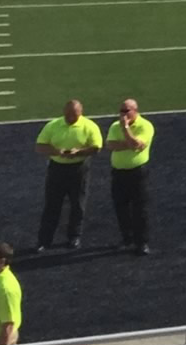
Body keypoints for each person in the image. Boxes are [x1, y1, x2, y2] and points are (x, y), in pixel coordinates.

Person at [34, 99, 103, 251]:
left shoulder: (89, 126)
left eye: (74, 115)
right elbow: (40, 146)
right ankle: (44, 240)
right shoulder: (53, 125)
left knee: (77, 205)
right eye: (68, 115)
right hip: (57, 169)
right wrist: (57, 152)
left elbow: (96, 147)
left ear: (80, 113)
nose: (71, 118)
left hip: (79, 169)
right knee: (52, 205)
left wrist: (79, 153)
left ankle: (74, 237)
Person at [105, 99, 156, 255]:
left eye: (126, 111)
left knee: (139, 208)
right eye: (121, 111)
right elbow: (110, 145)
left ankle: (142, 242)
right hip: (118, 173)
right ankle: (127, 238)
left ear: (135, 110)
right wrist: (129, 143)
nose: (123, 114)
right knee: (121, 207)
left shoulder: (145, 126)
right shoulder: (115, 126)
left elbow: (138, 145)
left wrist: (126, 128)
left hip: (137, 173)